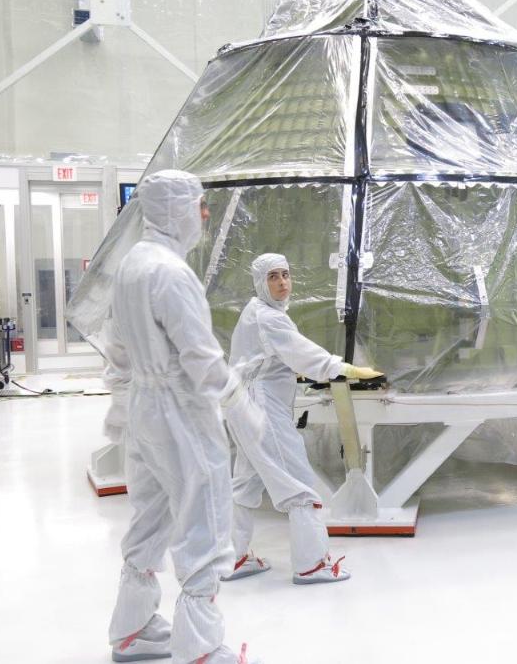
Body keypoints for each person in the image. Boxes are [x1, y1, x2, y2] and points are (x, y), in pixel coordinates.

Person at [103, 169, 263, 664]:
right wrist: (240, 402)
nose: (205, 215)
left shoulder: (131, 264)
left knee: (150, 516)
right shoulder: (172, 274)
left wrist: (118, 407)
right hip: (180, 410)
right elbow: (199, 358)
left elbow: (117, 349)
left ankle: (131, 630)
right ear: (178, 209)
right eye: (199, 205)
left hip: (143, 410)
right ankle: (199, 647)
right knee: (204, 519)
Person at [222, 253, 382, 584]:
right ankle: (311, 564)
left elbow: (265, 358)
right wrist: (345, 369)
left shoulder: (255, 312)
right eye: (273, 277)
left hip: (242, 406)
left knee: (245, 484)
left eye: (286, 274)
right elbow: (304, 354)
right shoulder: (269, 318)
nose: (282, 283)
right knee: (298, 485)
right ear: (260, 282)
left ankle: (231, 558)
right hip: (262, 410)